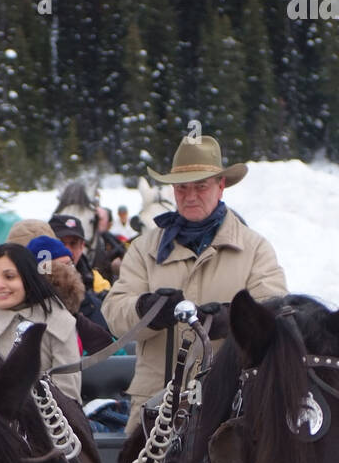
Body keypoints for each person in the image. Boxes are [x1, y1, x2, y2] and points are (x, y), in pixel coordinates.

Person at [101, 134, 287, 431]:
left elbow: (275, 314)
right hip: (154, 406)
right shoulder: (143, 248)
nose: (190, 196)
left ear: (221, 186)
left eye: (201, 186)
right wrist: (147, 310)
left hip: (233, 406)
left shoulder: (255, 249)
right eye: (182, 187)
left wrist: (236, 320)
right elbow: (114, 315)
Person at [0, 243, 82, 402]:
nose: (0, 285)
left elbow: (68, 394)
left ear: (27, 277)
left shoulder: (58, 321)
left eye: (9, 276)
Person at [25, 236, 114, 357]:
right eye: (60, 267)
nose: (68, 272)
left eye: (70, 264)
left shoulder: (87, 315)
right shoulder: (23, 324)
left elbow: (117, 355)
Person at [49, 212, 111, 329]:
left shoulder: (97, 283)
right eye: (60, 243)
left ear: (82, 246)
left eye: (73, 244)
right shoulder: (31, 280)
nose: (67, 250)